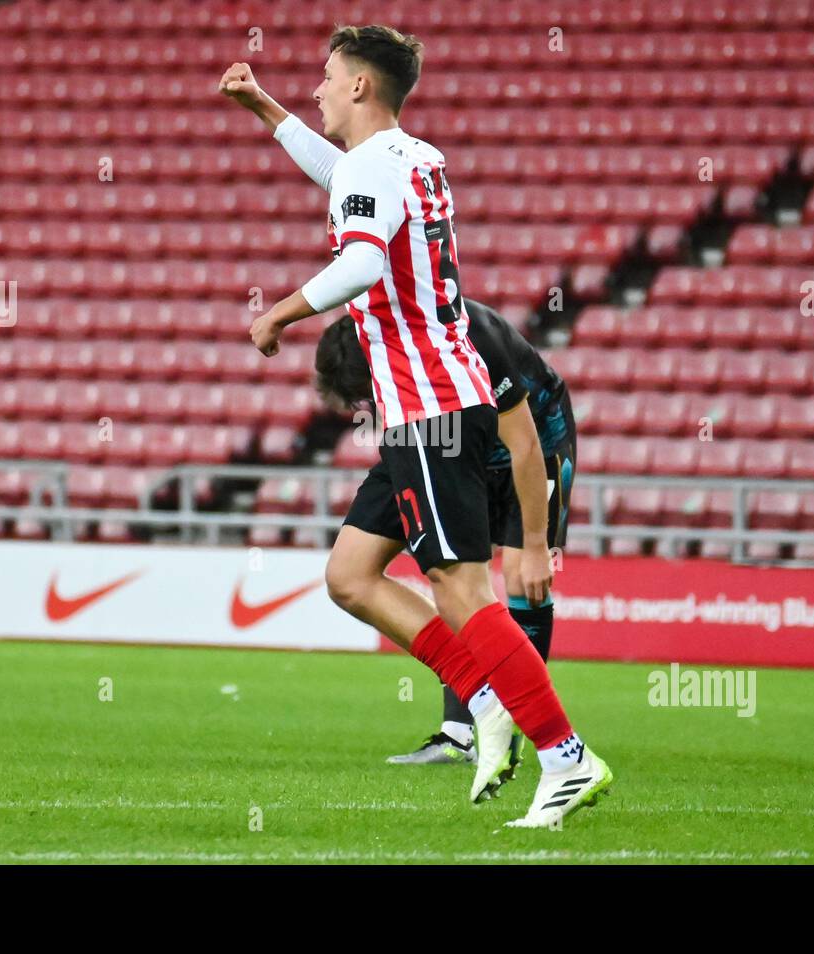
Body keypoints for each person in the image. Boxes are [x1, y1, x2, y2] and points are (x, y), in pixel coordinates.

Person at [219, 25, 611, 826]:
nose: (319, 90)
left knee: (464, 591)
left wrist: (280, 316)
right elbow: (342, 176)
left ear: (361, 86)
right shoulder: (413, 157)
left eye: (327, 78)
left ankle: (566, 757)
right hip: (424, 406)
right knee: (352, 576)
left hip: (431, 407)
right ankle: (484, 699)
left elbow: (361, 262)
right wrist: (266, 109)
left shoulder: (374, 167)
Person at [315, 301, 575, 772]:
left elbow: (525, 442)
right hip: (438, 439)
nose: (367, 406)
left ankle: (532, 732)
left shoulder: (468, 336)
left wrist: (537, 544)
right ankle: (469, 722)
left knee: (521, 579)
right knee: (349, 575)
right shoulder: (389, 362)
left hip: (531, 441)